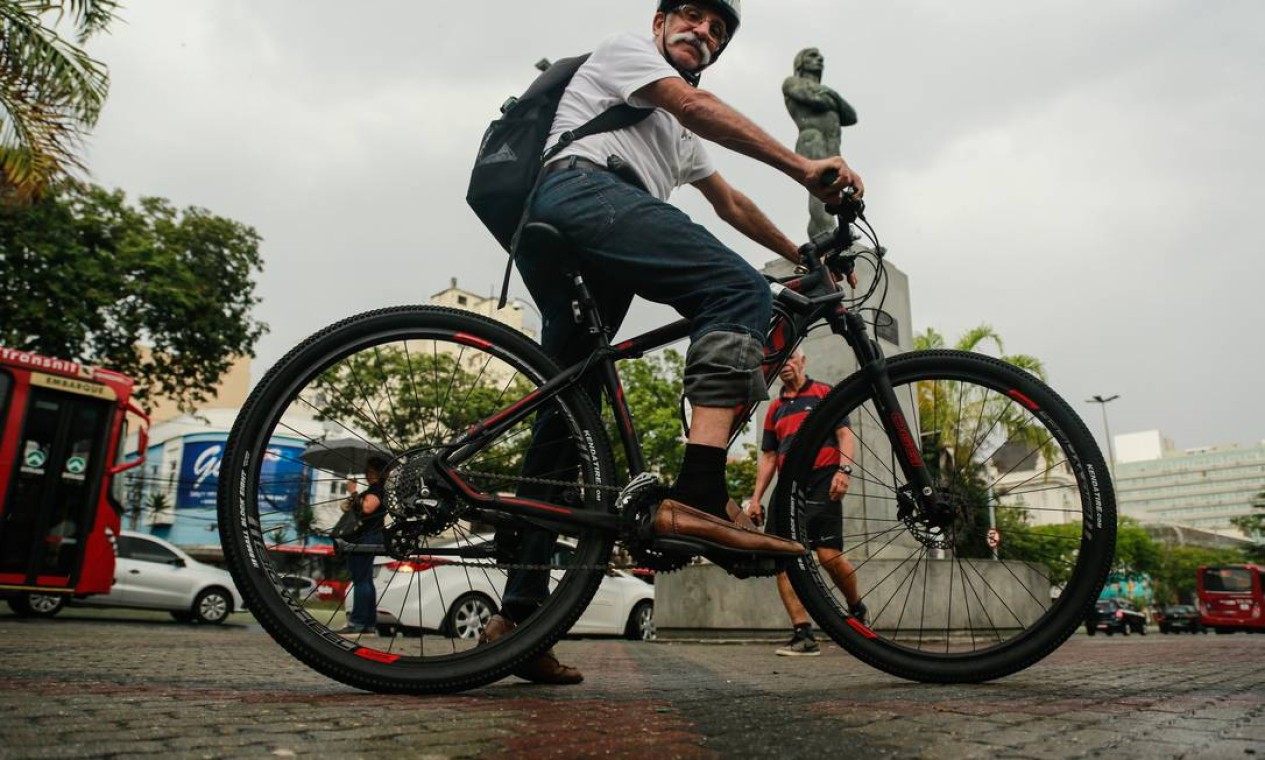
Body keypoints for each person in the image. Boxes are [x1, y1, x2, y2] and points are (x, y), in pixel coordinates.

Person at [484, 0, 866, 683]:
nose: (703, 32)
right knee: (736, 291)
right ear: (659, 23)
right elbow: (695, 108)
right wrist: (803, 167)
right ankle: (695, 492)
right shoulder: (626, 54)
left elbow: (730, 204)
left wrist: (802, 258)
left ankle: (516, 619)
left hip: (578, 228)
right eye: (690, 17)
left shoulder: (673, 134)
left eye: (717, 31)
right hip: (581, 195)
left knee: (568, 414)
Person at [747, 349, 867, 657]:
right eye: (780, 361)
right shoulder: (775, 408)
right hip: (787, 486)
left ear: (803, 361)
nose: (785, 365)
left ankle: (856, 608)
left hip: (823, 479)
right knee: (783, 559)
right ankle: (803, 634)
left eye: (790, 359)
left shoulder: (824, 393)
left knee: (828, 555)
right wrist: (757, 498)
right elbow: (769, 456)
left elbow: (845, 435)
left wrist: (844, 470)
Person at [336, 456, 386, 636]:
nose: (368, 474)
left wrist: (353, 492)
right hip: (369, 536)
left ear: (377, 473)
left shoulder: (377, 490)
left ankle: (357, 622)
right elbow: (353, 508)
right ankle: (368, 624)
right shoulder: (376, 489)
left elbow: (367, 508)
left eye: (371, 471)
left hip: (367, 537)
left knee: (361, 579)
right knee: (365, 579)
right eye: (367, 471)